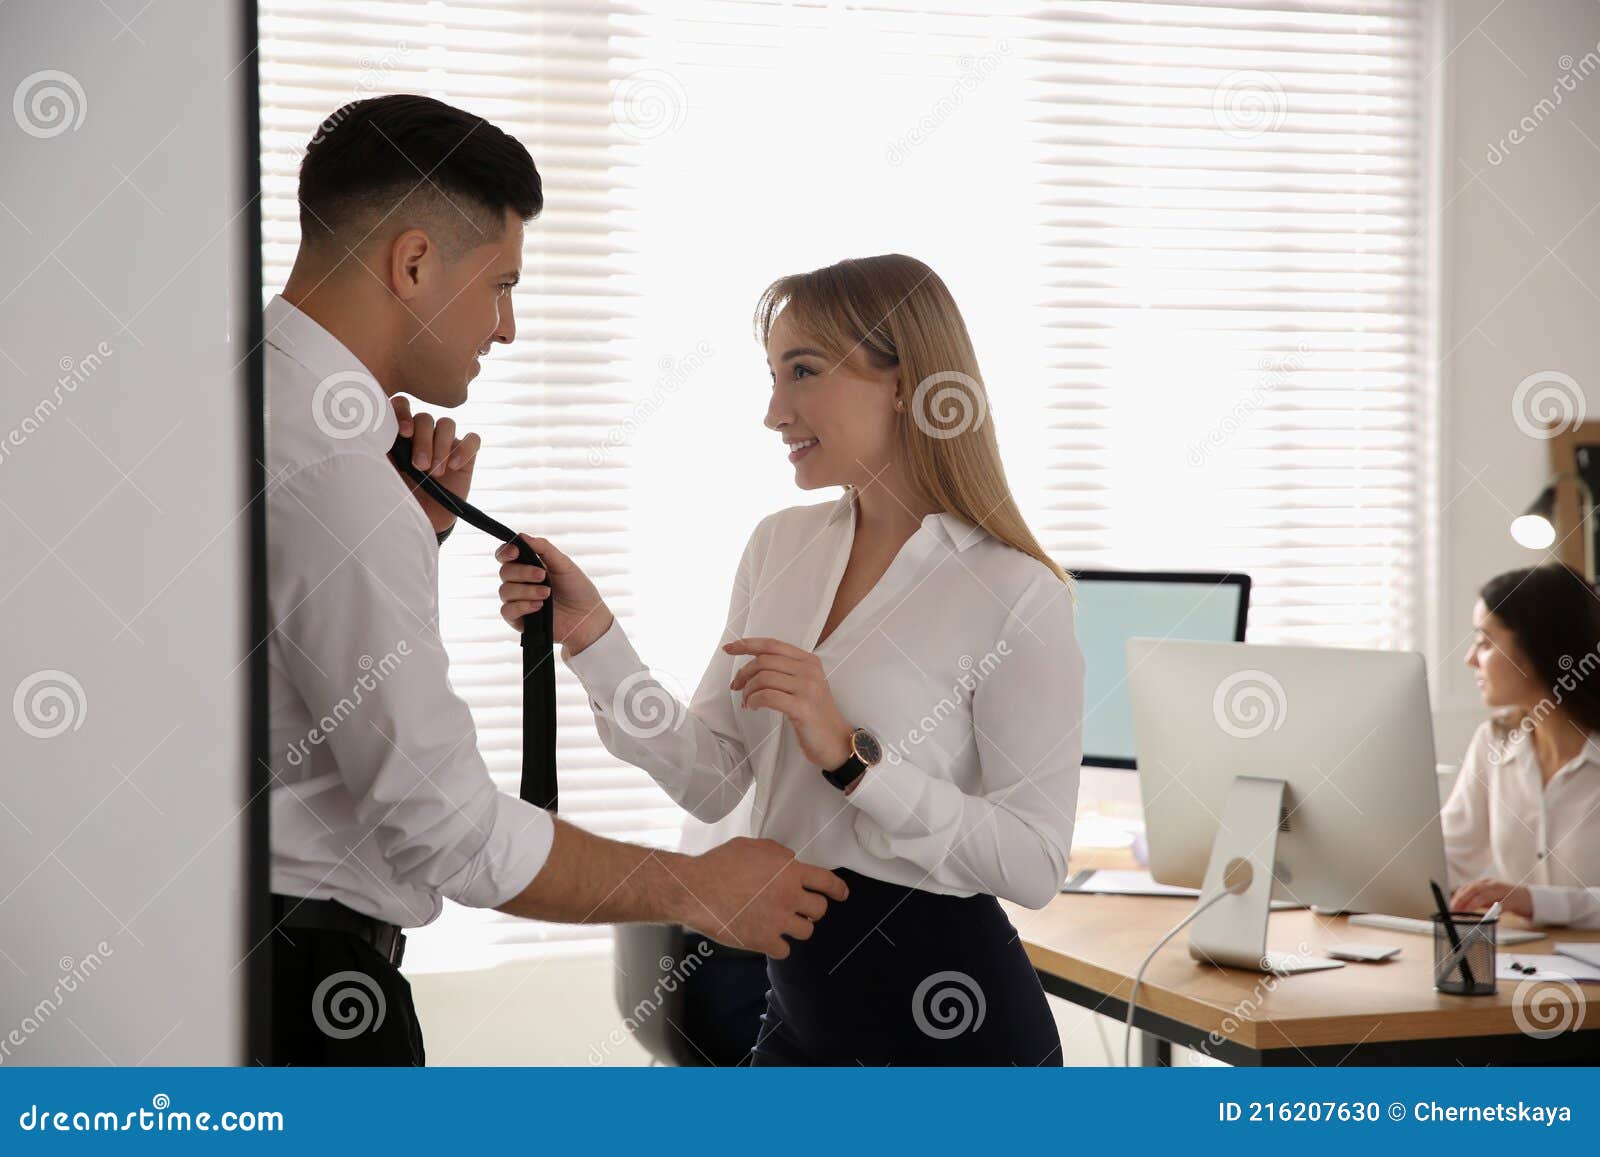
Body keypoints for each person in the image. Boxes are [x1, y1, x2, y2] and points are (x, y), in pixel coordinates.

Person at [263, 94, 846, 1066]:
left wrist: (419, 542)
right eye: (499, 284)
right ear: (412, 263)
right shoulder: (338, 476)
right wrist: (696, 888)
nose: (507, 327)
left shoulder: (244, 409)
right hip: (303, 996)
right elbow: (445, 828)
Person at [497, 254, 1084, 1065]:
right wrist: (594, 638)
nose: (775, 412)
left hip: (954, 1026)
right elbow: (715, 780)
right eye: (773, 376)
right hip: (800, 1011)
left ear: (905, 380)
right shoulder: (779, 545)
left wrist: (854, 761)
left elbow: (1036, 862)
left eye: (801, 372)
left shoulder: (1016, 593)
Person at [1444, 563, 1600, 929]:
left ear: (1537, 647)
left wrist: (1532, 900)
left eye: (1485, 643)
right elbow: (1449, 856)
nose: (1470, 660)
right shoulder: (1493, 741)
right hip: (1529, 965)